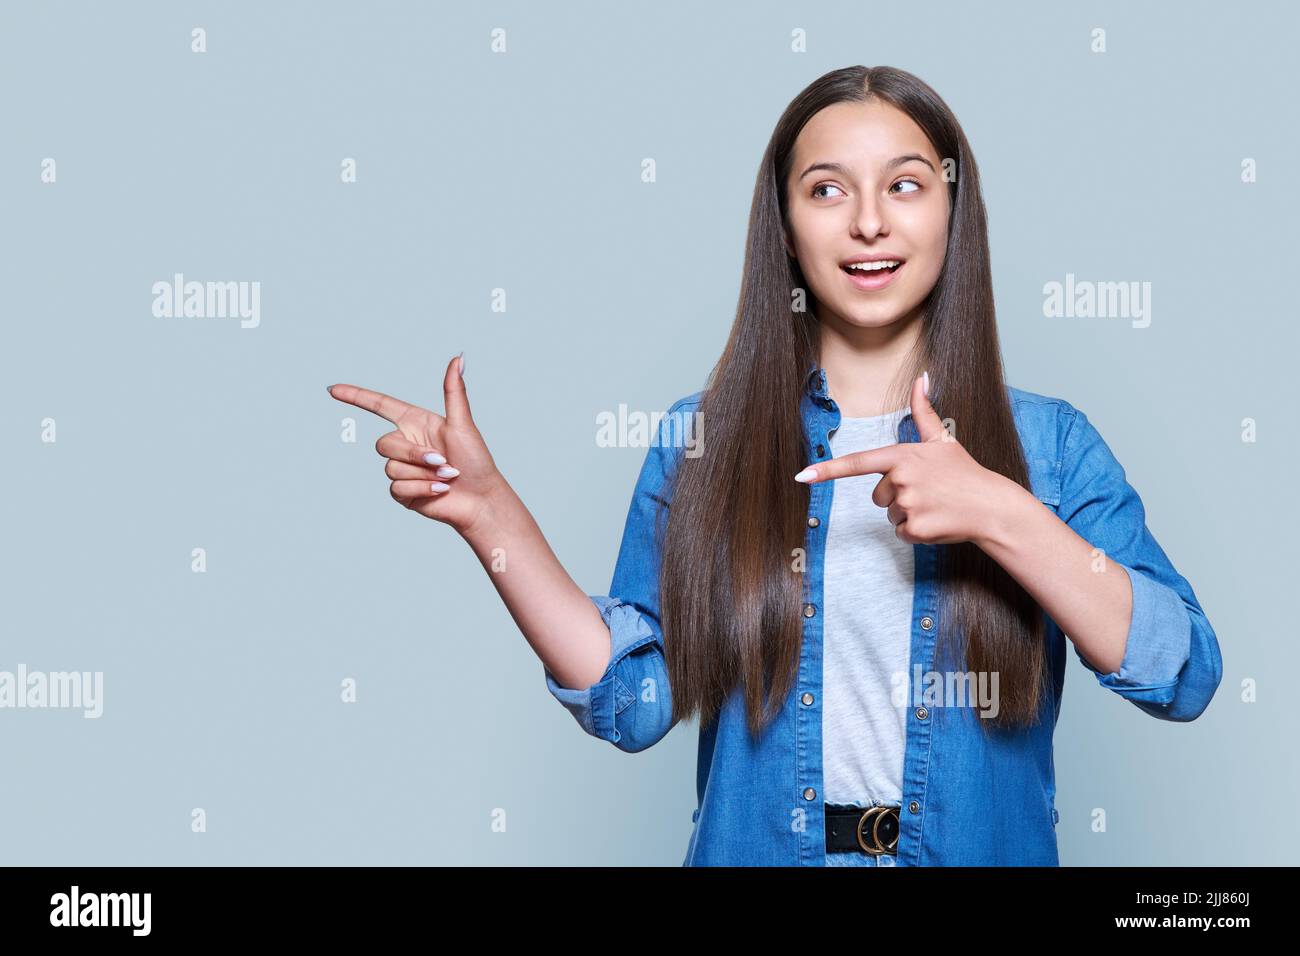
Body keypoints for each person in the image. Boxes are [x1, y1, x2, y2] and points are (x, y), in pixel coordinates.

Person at [327, 65, 1223, 866]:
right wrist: (492, 518)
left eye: (905, 186)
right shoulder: (703, 442)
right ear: (786, 228)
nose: (869, 220)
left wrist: (1003, 513)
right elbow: (637, 701)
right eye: (827, 189)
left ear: (953, 211)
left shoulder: (1051, 447)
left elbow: (1184, 672)